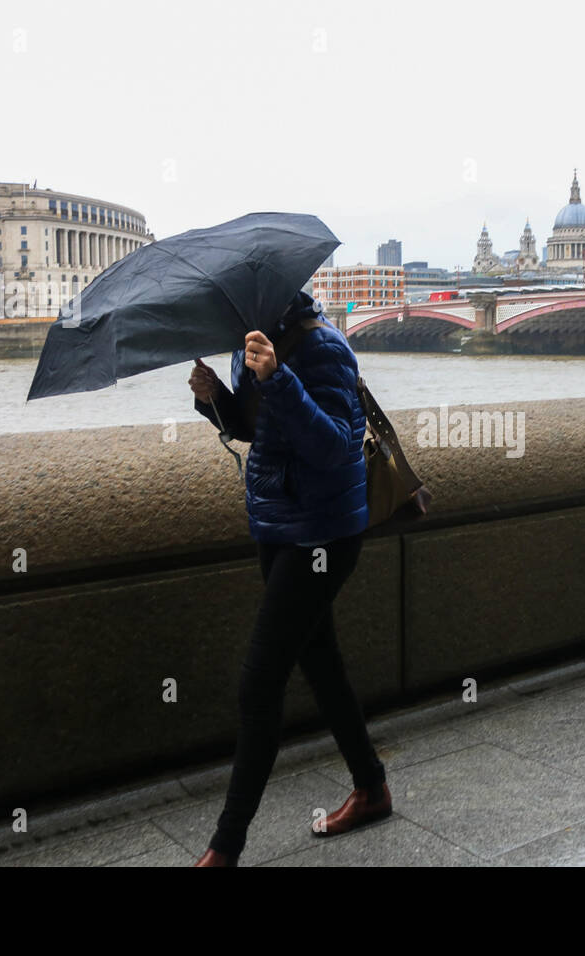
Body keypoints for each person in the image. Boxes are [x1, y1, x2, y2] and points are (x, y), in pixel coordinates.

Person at [187, 290, 390, 867]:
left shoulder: (323, 346)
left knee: (259, 685)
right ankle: (372, 788)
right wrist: (216, 400)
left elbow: (335, 444)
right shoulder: (252, 343)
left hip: (322, 534)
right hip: (277, 525)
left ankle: (225, 849)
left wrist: (276, 377)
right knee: (320, 663)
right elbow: (261, 430)